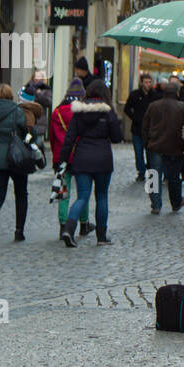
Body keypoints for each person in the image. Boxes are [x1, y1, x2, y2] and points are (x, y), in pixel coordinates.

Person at [59, 79, 122, 246]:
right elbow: (117, 137)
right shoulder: (108, 111)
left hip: (82, 158)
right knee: (101, 197)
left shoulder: (79, 112)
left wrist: (63, 161)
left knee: (82, 197)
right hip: (102, 159)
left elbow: (69, 139)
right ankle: (101, 236)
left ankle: (68, 229)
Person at [0, 83, 30, 243]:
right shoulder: (17, 111)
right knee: (21, 194)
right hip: (16, 157)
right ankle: (19, 230)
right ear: (10, 96)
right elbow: (26, 131)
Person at [143, 79, 184, 215]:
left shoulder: (153, 105)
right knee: (174, 177)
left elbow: (145, 127)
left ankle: (155, 204)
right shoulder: (183, 107)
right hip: (174, 146)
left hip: (155, 146)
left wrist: (147, 143)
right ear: (177, 93)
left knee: (153, 176)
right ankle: (176, 202)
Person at [48, 78, 87, 239]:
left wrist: (54, 155)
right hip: (79, 155)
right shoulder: (83, 111)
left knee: (63, 192)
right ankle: (84, 223)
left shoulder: (57, 112)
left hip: (61, 156)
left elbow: (51, 137)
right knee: (82, 193)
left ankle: (63, 225)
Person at [124, 73, 159, 182]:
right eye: (146, 82)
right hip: (137, 129)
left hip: (150, 130)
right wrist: (135, 118)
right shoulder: (135, 94)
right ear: (141, 83)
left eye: (150, 82)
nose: (148, 84)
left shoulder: (155, 96)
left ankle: (150, 170)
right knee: (138, 153)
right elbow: (127, 108)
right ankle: (141, 172)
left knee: (150, 153)